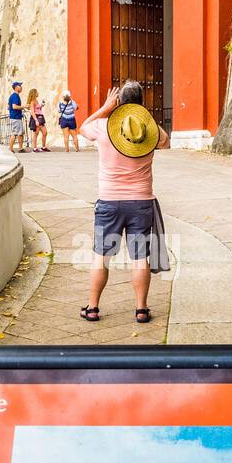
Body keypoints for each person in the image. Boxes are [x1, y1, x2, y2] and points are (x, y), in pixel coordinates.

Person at [77, 81, 171, 325]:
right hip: (141, 203)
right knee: (140, 258)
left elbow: (82, 127)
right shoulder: (150, 132)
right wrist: (143, 116)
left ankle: (93, 307)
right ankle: (141, 309)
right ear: (141, 103)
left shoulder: (102, 126)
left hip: (109, 202)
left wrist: (106, 108)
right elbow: (166, 141)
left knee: (101, 257)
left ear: (119, 101)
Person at [27, 87, 50, 152]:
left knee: (45, 132)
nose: (38, 93)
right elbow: (32, 112)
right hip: (36, 117)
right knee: (36, 133)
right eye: (37, 92)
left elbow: (38, 109)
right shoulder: (32, 102)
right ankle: (35, 148)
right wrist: (36, 120)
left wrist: (41, 106)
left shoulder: (36, 101)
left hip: (40, 117)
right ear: (34, 93)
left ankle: (43, 147)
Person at [7, 80, 27, 154]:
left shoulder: (12, 96)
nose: (21, 87)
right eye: (20, 86)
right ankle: (11, 149)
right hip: (16, 117)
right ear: (16, 87)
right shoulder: (15, 96)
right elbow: (14, 106)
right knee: (15, 133)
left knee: (19, 133)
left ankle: (20, 148)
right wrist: (24, 107)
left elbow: (9, 107)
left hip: (15, 117)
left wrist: (21, 108)